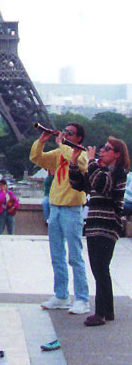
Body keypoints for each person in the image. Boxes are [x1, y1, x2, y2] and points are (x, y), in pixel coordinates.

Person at [68, 136, 129, 326]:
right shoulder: (101, 170)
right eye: (103, 147)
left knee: (100, 268)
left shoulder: (119, 172)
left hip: (107, 225)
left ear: (117, 154)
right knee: (101, 269)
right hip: (95, 224)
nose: (103, 150)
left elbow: (102, 185)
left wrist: (92, 161)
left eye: (107, 148)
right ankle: (107, 310)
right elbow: (79, 184)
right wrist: (74, 161)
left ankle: (100, 314)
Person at [30, 122, 90, 314]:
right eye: (64, 131)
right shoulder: (59, 153)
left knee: (75, 256)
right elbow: (36, 158)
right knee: (57, 255)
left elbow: (77, 162)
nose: (65, 134)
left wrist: (60, 142)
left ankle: (82, 298)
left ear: (78, 138)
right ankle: (61, 295)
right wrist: (42, 141)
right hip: (55, 208)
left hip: (72, 209)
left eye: (69, 133)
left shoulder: (82, 154)